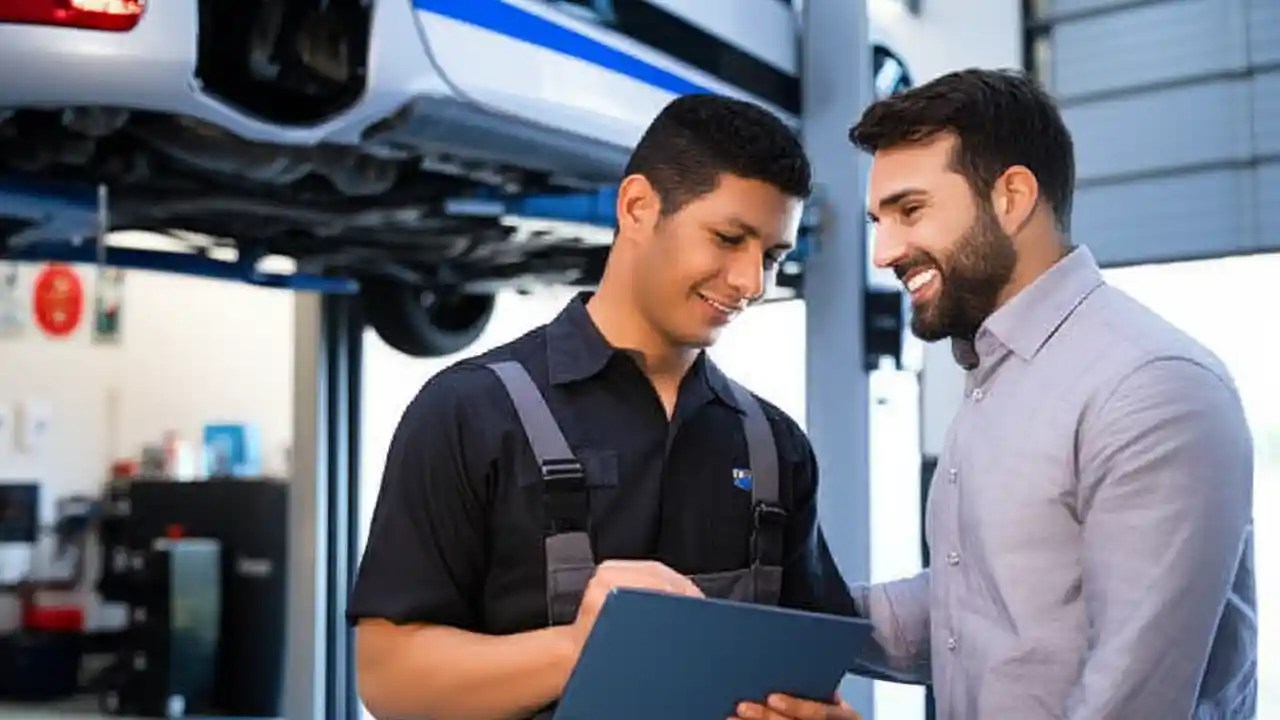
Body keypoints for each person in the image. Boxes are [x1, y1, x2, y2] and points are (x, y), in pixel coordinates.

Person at [740, 67, 1257, 720]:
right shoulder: (999, 376)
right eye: (880, 218)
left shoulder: (1150, 389)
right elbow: (973, 611)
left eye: (910, 210)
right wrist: (762, 612)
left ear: (1012, 197)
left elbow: (1129, 705)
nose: (884, 251)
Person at [348, 93, 862, 720]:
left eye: (773, 256)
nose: (752, 282)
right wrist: (579, 647)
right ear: (638, 206)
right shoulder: (470, 413)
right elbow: (387, 677)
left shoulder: (776, 448)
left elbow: (808, 666)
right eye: (729, 238)